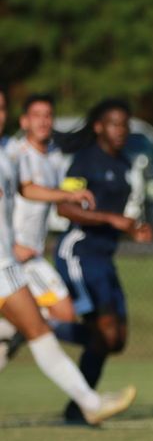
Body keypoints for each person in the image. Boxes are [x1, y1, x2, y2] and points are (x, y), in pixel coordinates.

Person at [0, 130, 136, 424]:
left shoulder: (5, 157)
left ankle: (90, 402)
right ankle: (90, 402)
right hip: (10, 259)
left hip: (6, 265)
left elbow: (27, 189)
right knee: (38, 327)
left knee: (40, 328)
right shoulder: (14, 154)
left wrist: (67, 195)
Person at [50, 99, 153, 424]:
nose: (120, 130)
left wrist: (133, 229)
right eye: (114, 123)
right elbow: (64, 207)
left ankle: (75, 408)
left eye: (124, 124)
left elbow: (117, 220)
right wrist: (112, 219)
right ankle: (39, 329)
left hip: (104, 258)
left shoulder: (124, 165)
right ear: (98, 126)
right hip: (78, 252)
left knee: (116, 340)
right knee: (104, 332)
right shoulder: (85, 161)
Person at [0, 95, 82, 359]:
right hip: (15, 253)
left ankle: (14, 331)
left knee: (59, 317)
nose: (43, 121)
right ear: (24, 121)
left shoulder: (53, 157)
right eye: (37, 115)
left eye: (48, 115)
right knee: (62, 313)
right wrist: (11, 244)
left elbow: (43, 195)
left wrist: (73, 197)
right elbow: (26, 192)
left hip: (32, 252)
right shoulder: (13, 153)